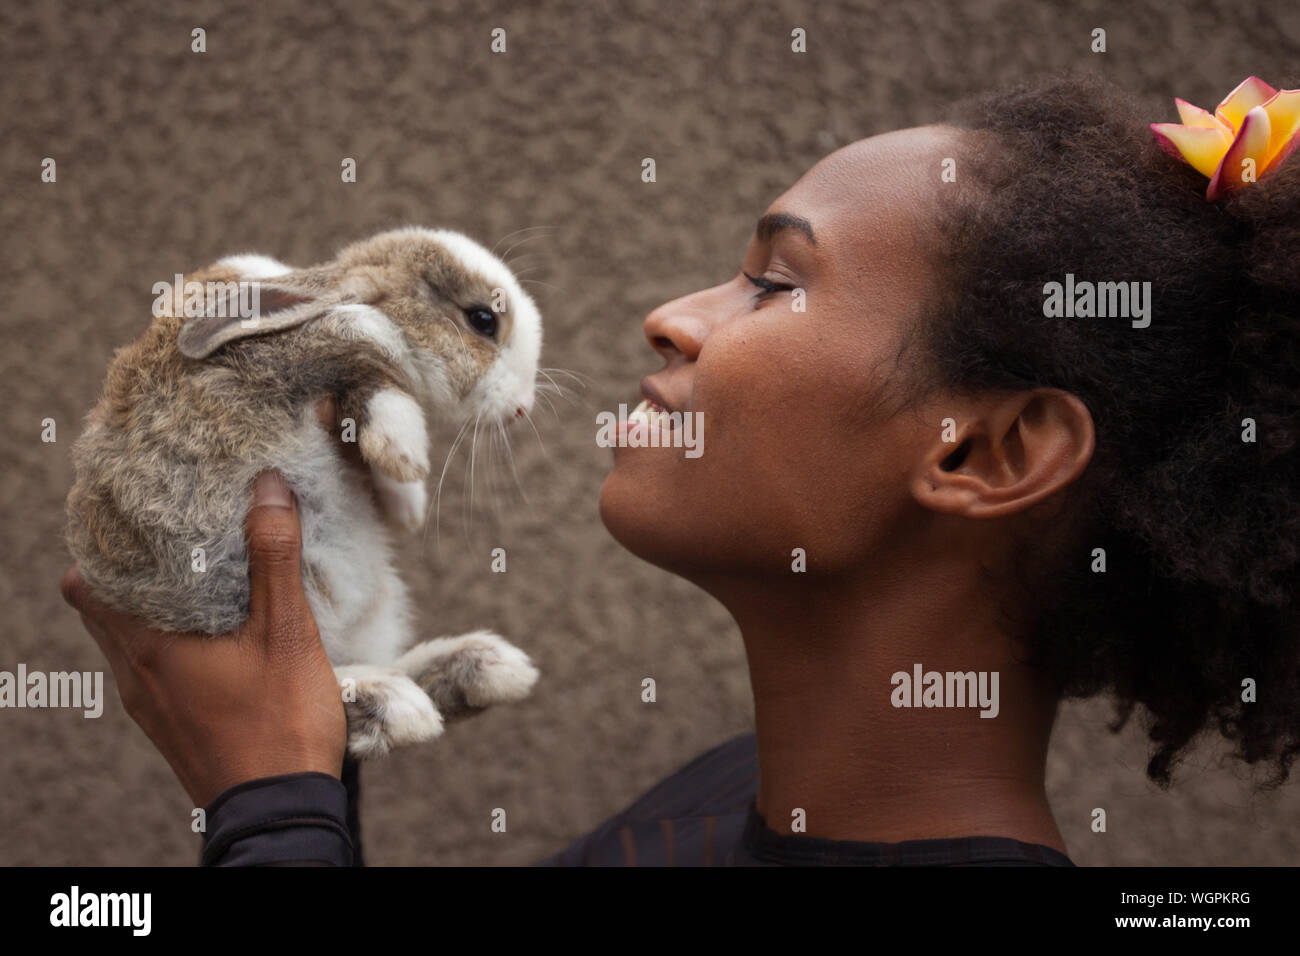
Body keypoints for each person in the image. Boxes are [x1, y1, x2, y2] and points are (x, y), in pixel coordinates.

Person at [60, 73, 1300, 866]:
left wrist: (270, 804)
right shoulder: (714, 804)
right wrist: (313, 735)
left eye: (774, 280)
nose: (670, 316)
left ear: (987, 449)